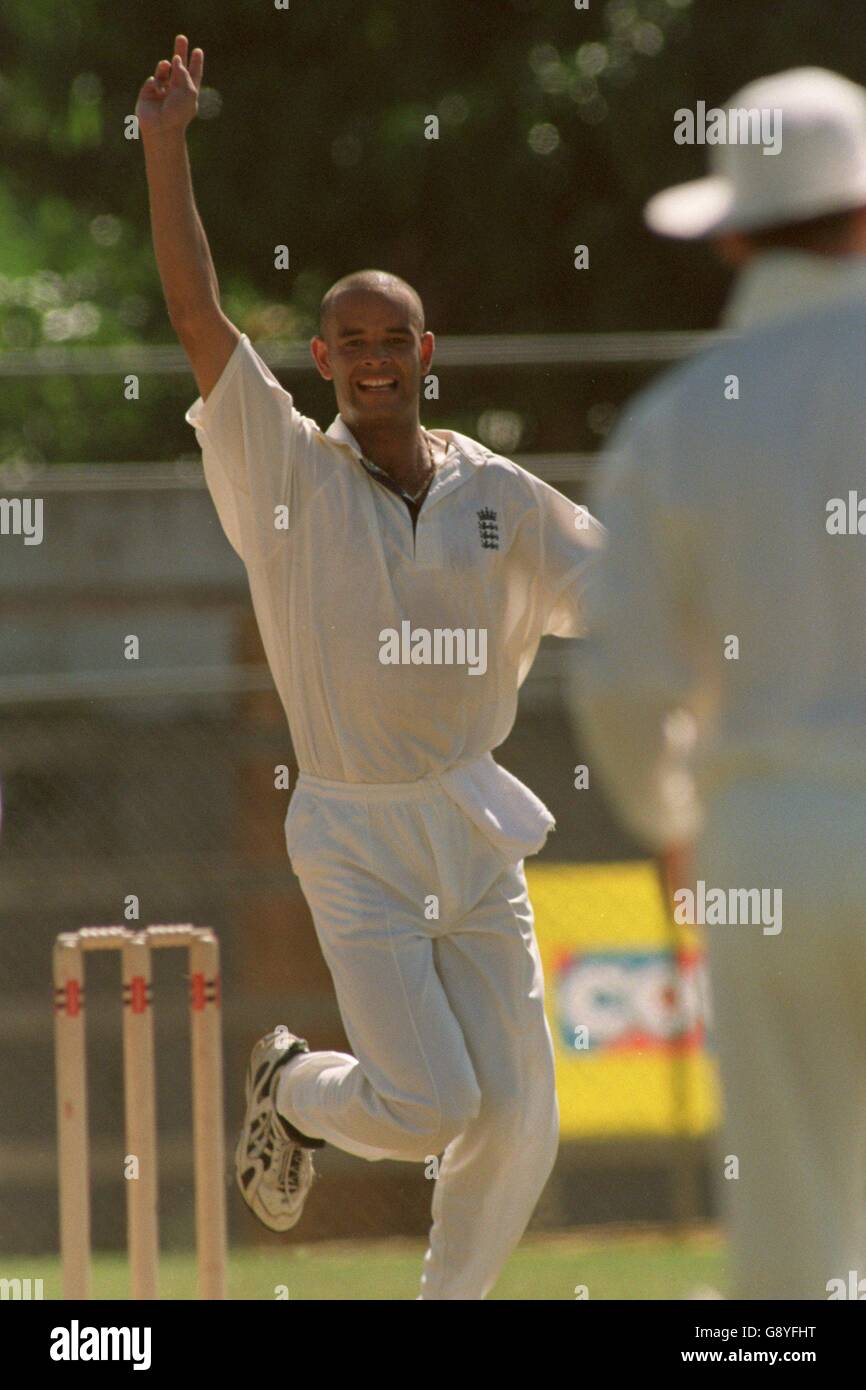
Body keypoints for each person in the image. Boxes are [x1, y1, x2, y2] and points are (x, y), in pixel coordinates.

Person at [137, 35, 604, 1300]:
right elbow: (196, 315)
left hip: (469, 815)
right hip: (352, 834)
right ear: (323, 363)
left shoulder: (494, 490)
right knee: (429, 1100)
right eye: (347, 341)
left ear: (425, 346)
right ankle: (291, 1080)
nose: (372, 356)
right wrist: (167, 146)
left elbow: (613, 598)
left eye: (391, 335)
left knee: (520, 1117)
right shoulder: (279, 468)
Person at [569, 67, 866, 1299]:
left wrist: (670, 816)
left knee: (794, 1253)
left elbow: (623, 674)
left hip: (769, 837)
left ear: (732, 228)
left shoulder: (677, 421)